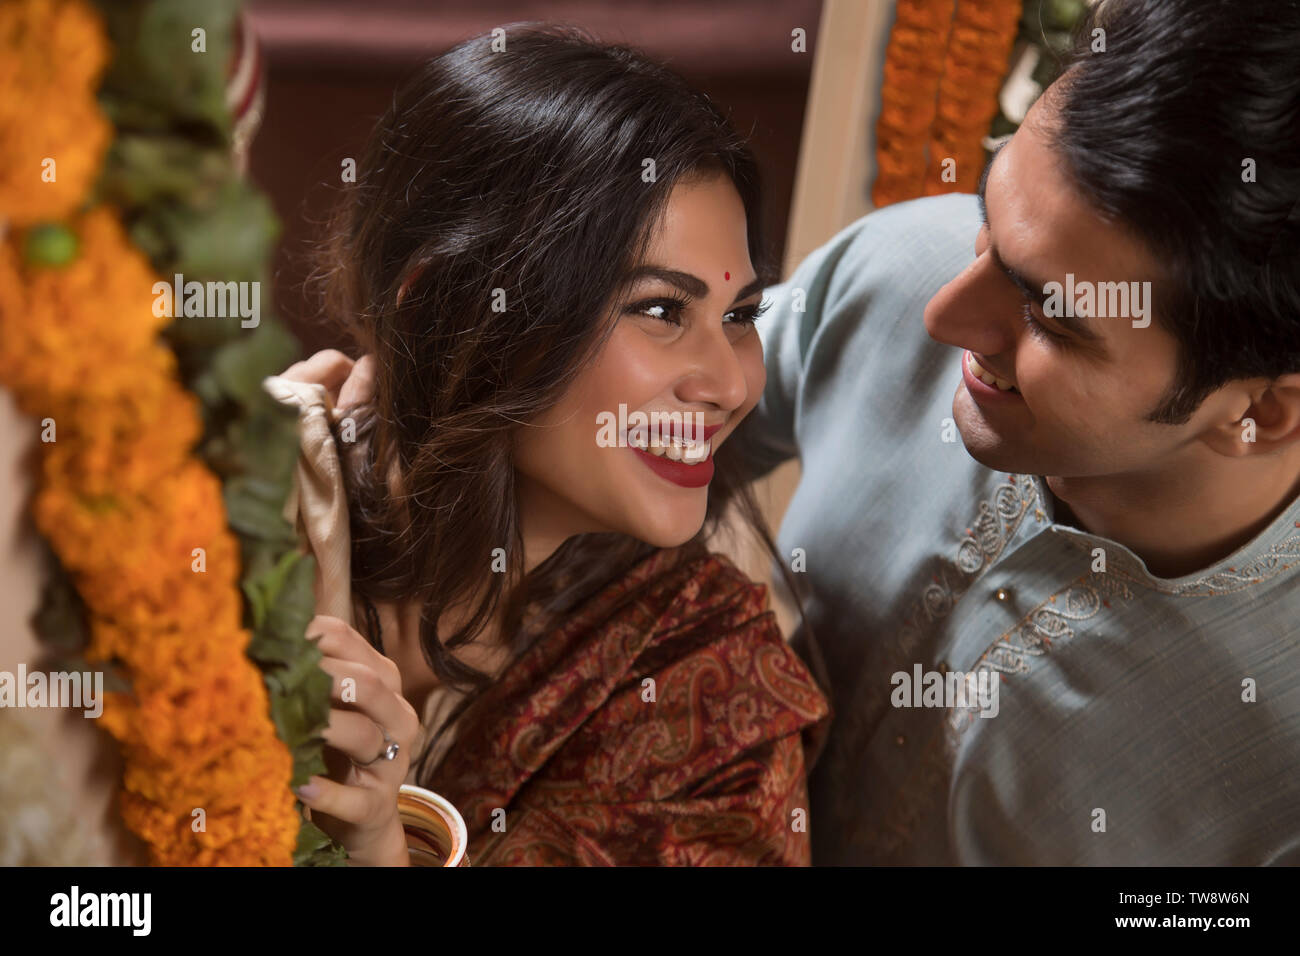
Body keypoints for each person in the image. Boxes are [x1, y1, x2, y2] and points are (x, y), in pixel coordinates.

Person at [732, 0, 1300, 863]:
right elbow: (615, 441)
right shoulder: (893, 268)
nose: (941, 314)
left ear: (1259, 412)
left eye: (1053, 318)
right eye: (987, 224)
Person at [271, 24, 830, 866]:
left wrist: (385, 845)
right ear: (443, 310)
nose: (729, 384)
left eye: (741, 317)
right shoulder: (251, 512)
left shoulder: (702, 692)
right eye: (660, 310)